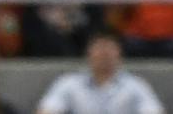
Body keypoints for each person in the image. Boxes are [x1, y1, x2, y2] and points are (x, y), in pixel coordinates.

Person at [35, 32, 165, 114]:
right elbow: (47, 110)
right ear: (88, 53)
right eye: (99, 48)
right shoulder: (68, 83)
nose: (104, 54)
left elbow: (153, 110)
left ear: (119, 54)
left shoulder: (135, 85)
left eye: (109, 49)